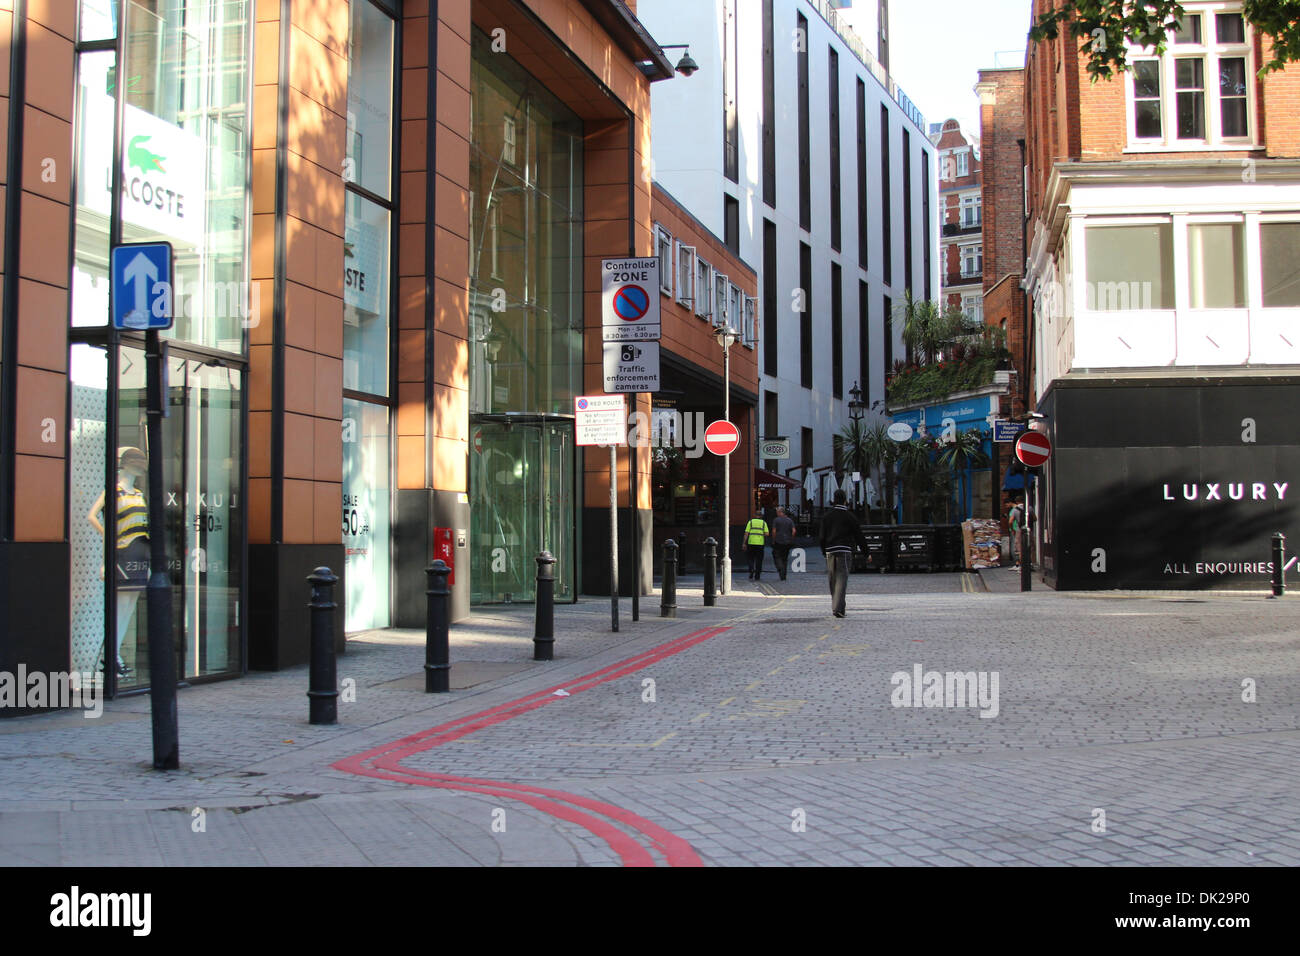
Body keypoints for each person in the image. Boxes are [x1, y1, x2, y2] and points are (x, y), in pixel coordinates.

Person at [87, 446, 150, 678]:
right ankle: (110, 657)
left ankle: (113, 656)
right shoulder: (114, 491)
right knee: (119, 608)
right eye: (136, 463)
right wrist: (107, 537)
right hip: (122, 553)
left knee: (128, 608)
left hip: (139, 553)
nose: (140, 468)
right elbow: (92, 515)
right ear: (126, 464)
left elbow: (143, 527)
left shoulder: (138, 493)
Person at [819, 489, 869, 617]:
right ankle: (838, 608)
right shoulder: (850, 516)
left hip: (830, 550)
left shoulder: (827, 516)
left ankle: (838, 605)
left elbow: (821, 536)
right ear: (845, 500)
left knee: (832, 579)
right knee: (842, 578)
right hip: (844, 550)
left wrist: (824, 550)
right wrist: (866, 552)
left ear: (834, 500)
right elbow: (859, 535)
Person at [743, 508, 771, 580]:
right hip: (760, 544)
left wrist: (744, 543)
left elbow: (746, 533)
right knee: (759, 560)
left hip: (751, 543)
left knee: (750, 558)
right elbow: (767, 534)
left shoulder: (751, 522)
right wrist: (761, 535)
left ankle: (751, 569)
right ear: (761, 516)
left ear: (755, 515)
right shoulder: (764, 523)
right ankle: (757, 575)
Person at [771, 507, 797, 581]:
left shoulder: (776, 520)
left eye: (777, 512)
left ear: (780, 512)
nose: (776, 513)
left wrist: (773, 540)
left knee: (776, 556)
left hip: (778, 541)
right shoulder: (790, 520)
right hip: (787, 542)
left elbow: (774, 531)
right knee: (785, 558)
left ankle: (780, 568)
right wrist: (791, 539)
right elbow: (794, 531)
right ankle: (783, 575)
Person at [1008, 499, 1024, 569]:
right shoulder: (1029, 508)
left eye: (1006, 504)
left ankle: (1020, 565)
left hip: (1017, 530)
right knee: (1029, 548)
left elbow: (1010, 521)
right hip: (1027, 530)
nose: (1006, 506)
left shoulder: (1014, 510)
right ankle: (1029, 564)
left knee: (1018, 548)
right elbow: (1035, 518)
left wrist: (1012, 529)